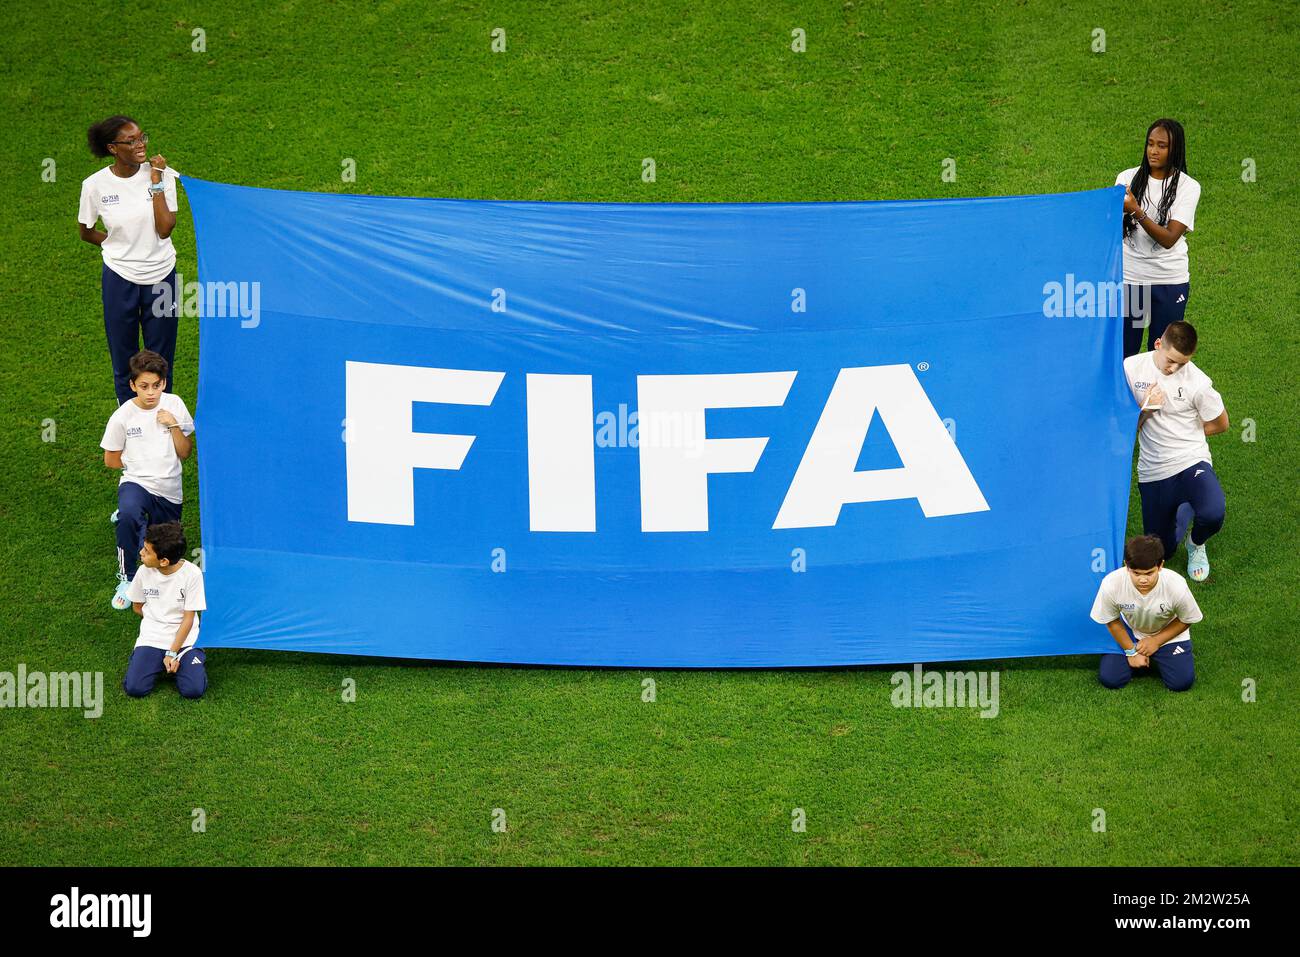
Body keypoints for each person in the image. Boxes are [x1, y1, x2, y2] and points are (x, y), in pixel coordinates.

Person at [78, 115, 181, 405]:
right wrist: (117, 246)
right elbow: (86, 232)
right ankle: (130, 419)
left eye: (141, 137)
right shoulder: (95, 185)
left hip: (162, 276)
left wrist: (157, 181)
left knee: (160, 356)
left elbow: (165, 229)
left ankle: (161, 420)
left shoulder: (161, 174)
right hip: (119, 277)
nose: (141, 145)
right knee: (123, 354)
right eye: (131, 141)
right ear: (113, 148)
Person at [1123, 321, 1228, 582]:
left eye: (1182, 363)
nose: (1174, 368)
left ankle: (1196, 543)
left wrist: (1188, 436)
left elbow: (1221, 423)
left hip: (1191, 460)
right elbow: (1121, 429)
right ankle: (1185, 505)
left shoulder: (1198, 383)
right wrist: (1147, 409)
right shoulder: (1130, 369)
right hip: (1153, 470)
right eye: (1171, 360)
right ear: (1158, 344)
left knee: (1214, 513)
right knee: (1163, 550)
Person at [100, 350, 195, 609]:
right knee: (130, 515)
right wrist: (141, 463)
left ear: (164, 383)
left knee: (165, 548)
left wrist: (174, 425)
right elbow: (111, 460)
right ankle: (127, 578)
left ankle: (134, 519)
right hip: (136, 483)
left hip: (170, 492)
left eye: (156, 385)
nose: (151, 392)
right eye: (144, 386)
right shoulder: (122, 417)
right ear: (132, 386)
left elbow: (184, 452)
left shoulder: (174, 405)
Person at [1115, 118, 1202, 358]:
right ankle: (1127, 397)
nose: (1154, 150)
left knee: (1162, 353)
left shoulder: (1188, 187)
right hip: (1131, 280)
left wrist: (1136, 210)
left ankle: (1156, 397)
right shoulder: (1126, 178)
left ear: (1175, 149)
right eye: (1150, 144)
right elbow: (1111, 226)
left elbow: (1169, 238)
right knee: (1125, 354)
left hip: (1169, 282)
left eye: (1162, 146)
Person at [1091, 535, 1202, 691]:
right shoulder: (1111, 583)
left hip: (1167, 634)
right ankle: (1137, 656)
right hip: (1129, 631)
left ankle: (1154, 655)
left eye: (1149, 573)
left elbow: (1186, 619)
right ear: (1126, 565)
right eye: (1136, 573)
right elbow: (1111, 621)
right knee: (1111, 679)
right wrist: (1131, 652)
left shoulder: (1176, 586)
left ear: (1160, 565)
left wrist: (1156, 641)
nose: (1143, 580)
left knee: (1181, 683)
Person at [123, 522, 207, 699]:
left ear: (164, 561)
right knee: (135, 688)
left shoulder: (192, 574)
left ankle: (184, 662)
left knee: (193, 690)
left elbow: (188, 619)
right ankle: (156, 661)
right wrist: (157, 620)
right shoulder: (143, 572)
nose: (141, 553)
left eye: (146, 551)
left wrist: (172, 652)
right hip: (152, 638)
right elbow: (137, 607)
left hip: (186, 641)